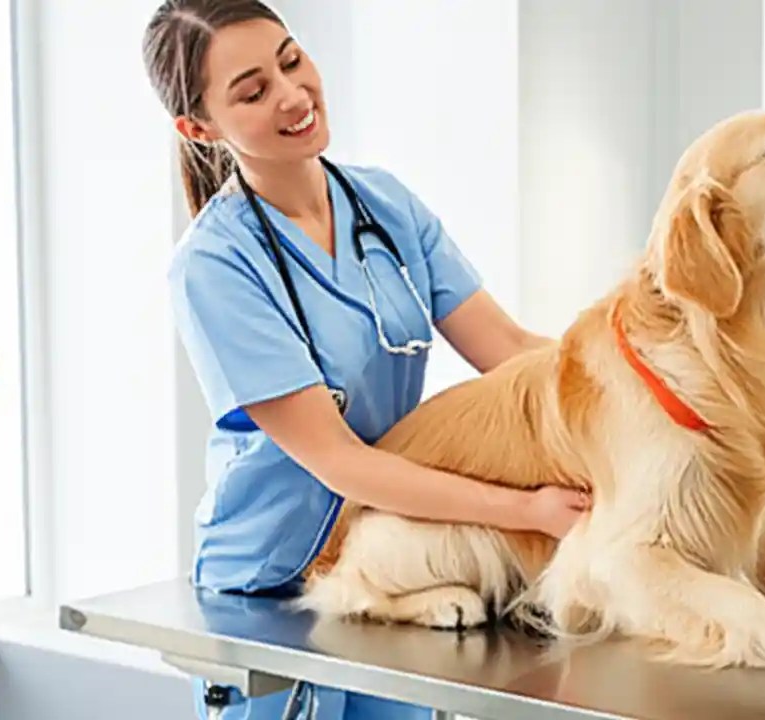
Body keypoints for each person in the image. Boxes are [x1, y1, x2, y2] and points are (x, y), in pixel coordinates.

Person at [142, 1, 591, 718]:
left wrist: (633, 368)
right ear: (200, 128)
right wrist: (525, 511)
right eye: (253, 91)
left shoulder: (387, 206)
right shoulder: (213, 264)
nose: (292, 94)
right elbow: (341, 461)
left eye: (291, 61)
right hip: (272, 589)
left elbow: (507, 354)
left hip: (388, 568)